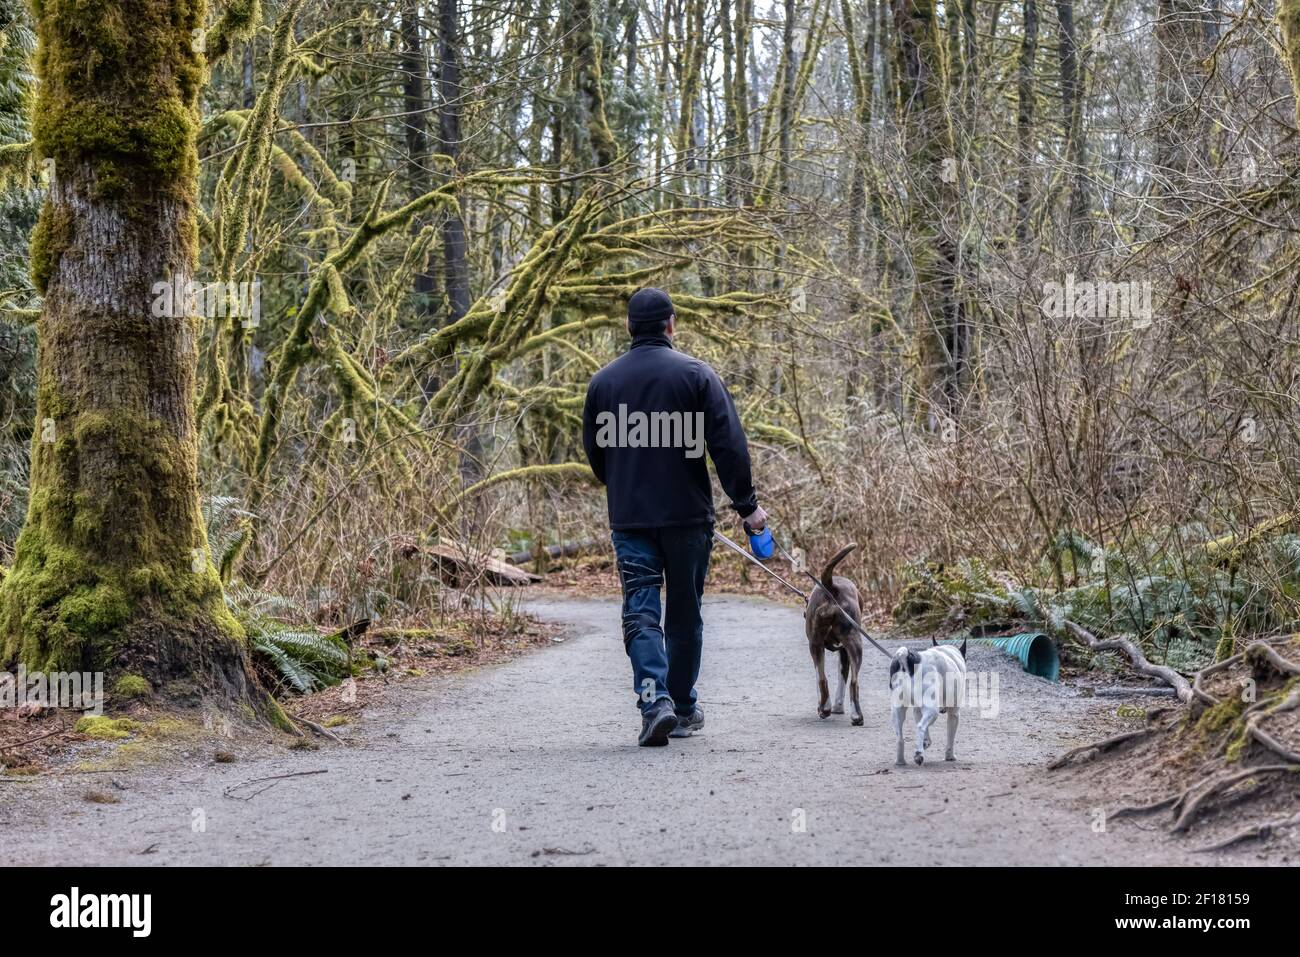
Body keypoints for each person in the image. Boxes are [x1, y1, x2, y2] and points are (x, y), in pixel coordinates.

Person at [582, 287, 767, 746]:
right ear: (672, 324)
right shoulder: (697, 376)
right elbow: (729, 447)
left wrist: (625, 481)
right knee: (685, 613)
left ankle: (654, 701)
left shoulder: (603, 384)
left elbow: (596, 456)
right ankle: (681, 707)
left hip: (631, 519)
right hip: (687, 519)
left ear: (629, 327)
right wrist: (748, 508)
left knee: (640, 613)